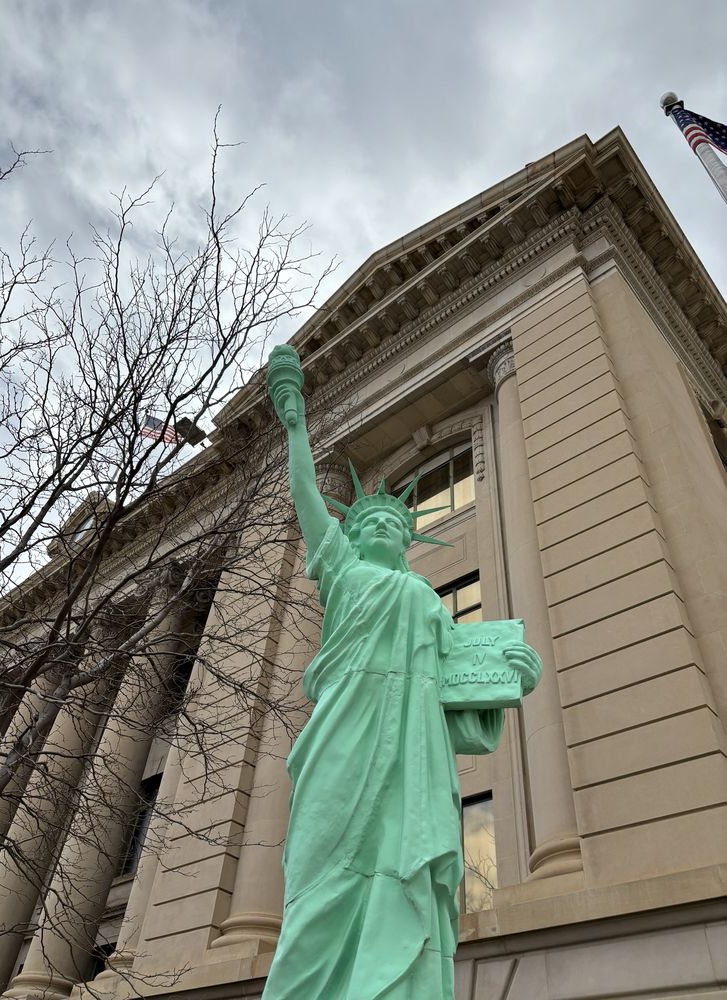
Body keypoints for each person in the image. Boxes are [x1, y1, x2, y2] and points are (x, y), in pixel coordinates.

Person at [263, 345, 540, 1000]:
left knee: (399, 872)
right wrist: (296, 426)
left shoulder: (422, 599)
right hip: (343, 733)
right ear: (354, 534)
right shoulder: (340, 569)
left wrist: (511, 673)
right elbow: (306, 492)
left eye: (399, 523)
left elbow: (458, 682)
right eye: (375, 519)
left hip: (413, 748)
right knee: (324, 873)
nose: (388, 526)